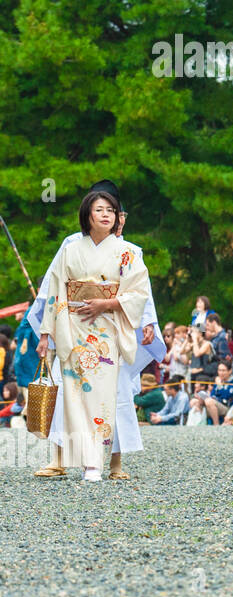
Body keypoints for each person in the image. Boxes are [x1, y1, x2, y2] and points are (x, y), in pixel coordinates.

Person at [35, 184, 152, 481]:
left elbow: (139, 293)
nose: (106, 215)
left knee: (102, 395)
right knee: (74, 396)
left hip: (106, 329)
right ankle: (84, 460)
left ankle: (96, 463)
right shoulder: (70, 248)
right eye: (99, 210)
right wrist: (46, 334)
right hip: (72, 327)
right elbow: (55, 291)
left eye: (110, 211)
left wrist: (108, 303)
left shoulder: (127, 252)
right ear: (87, 215)